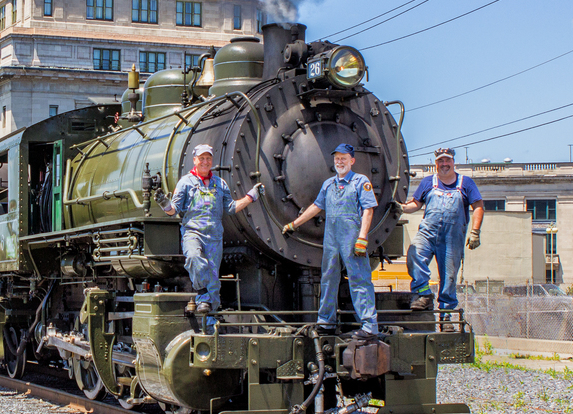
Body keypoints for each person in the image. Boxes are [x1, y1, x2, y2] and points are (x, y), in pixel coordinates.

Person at [281, 144, 378, 338]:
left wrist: (362, 236)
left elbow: (368, 209)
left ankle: (369, 326)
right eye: (337, 158)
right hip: (332, 237)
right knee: (328, 278)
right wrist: (294, 224)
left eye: (344, 158)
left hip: (352, 236)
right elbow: (316, 207)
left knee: (359, 279)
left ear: (352, 160)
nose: (340, 161)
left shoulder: (361, 181)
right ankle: (326, 322)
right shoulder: (328, 184)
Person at [155, 144, 261, 317]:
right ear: (195, 160)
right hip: (193, 233)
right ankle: (201, 293)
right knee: (194, 258)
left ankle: (210, 319)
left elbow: (231, 208)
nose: (205, 162)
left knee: (214, 280)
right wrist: (165, 204)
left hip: (214, 237)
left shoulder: (220, 184)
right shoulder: (185, 183)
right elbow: (174, 210)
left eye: (208, 158)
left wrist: (250, 196)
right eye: (202, 158)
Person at [398, 147, 483, 313]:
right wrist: (400, 207)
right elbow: (416, 204)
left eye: (447, 160)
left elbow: (478, 206)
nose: (444, 164)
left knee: (449, 276)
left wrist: (475, 232)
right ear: (436, 163)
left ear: (453, 162)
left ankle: (446, 314)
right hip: (428, 233)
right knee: (414, 254)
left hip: (452, 238)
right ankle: (423, 295)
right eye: (440, 161)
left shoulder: (465, 183)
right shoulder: (428, 182)